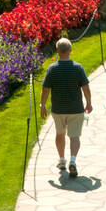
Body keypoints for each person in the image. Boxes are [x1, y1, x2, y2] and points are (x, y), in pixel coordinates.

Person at [41, 37, 92, 178]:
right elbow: (85, 87)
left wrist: (42, 106)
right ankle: (73, 161)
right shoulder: (78, 68)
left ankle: (62, 160)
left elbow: (45, 90)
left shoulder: (52, 69)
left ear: (57, 51)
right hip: (76, 108)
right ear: (70, 51)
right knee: (74, 136)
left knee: (60, 134)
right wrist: (89, 102)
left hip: (58, 109)